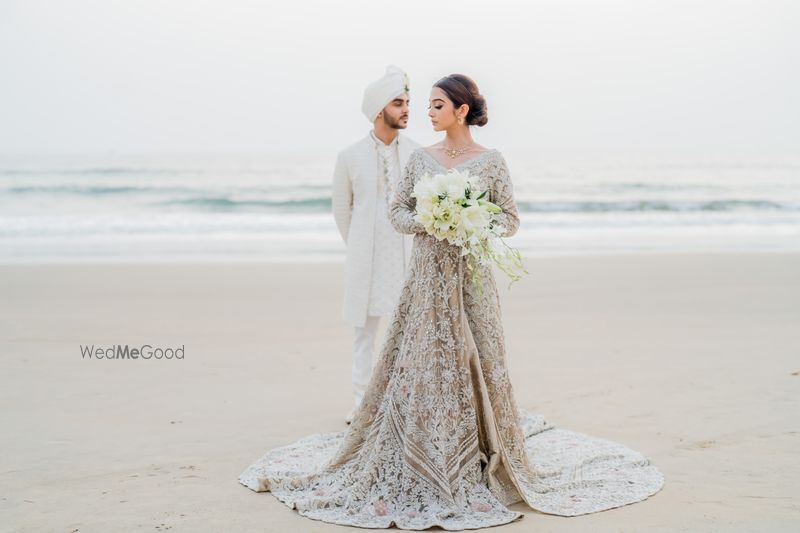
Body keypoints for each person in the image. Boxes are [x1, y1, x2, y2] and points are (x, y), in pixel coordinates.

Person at [239, 74, 664, 529]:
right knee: (427, 360)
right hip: (426, 277)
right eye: (426, 105)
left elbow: (510, 221)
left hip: (472, 276)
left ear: (461, 110)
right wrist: (433, 220)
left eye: (437, 105)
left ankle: (482, 452)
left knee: (478, 354)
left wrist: (469, 222)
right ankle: (421, 450)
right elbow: (397, 214)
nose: (428, 112)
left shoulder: (492, 162)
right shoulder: (421, 160)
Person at [331, 65, 421, 424]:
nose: (406, 110)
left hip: (407, 256)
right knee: (365, 335)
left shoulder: (417, 153)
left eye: (407, 102)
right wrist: (359, 247)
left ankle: (406, 403)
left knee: (409, 333)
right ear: (379, 108)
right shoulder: (349, 157)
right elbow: (342, 212)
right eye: (398, 103)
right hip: (366, 259)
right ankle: (362, 404)